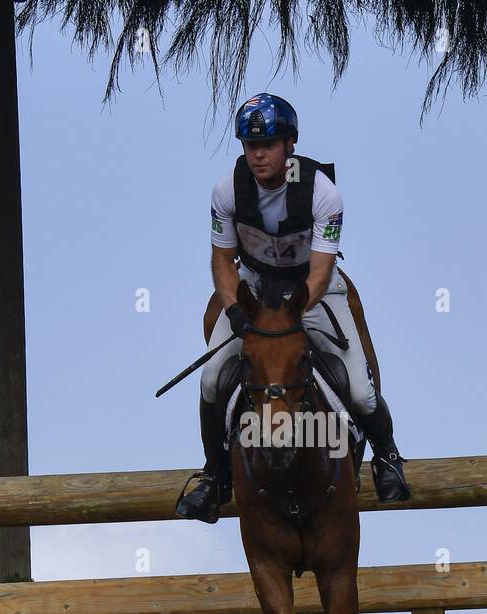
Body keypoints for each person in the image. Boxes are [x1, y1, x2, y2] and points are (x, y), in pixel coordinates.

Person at [175, 92, 412, 523]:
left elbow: (320, 274)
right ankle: (215, 476)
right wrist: (233, 311)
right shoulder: (226, 190)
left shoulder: (323, 193)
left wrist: (291, 311)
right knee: (211, 380)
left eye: (268, 144)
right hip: (253, 286)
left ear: (291, 144)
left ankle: (387, 456)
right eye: (250, 145)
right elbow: (221, 261)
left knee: (359, 388)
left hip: (311, 292)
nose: (258, 154)